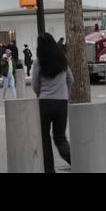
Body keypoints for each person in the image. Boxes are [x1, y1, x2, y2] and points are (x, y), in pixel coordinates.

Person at [31, 33, 72, 173]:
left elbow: (35, 84)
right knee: (60, 136)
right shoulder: (62, 60)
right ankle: (74, 159)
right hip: (61, 103)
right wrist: (64, 93)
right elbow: (70, 80)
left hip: (45, 103)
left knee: (44, 137)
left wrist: (40, 93)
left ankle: (49, 169)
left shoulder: (38, 62)